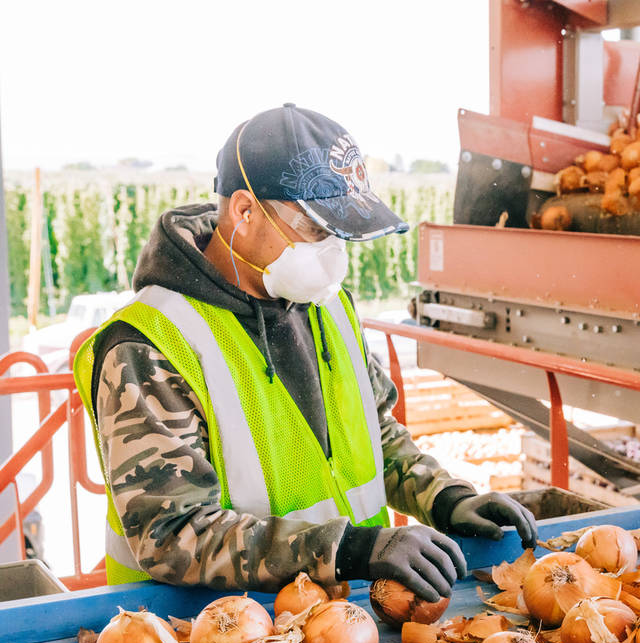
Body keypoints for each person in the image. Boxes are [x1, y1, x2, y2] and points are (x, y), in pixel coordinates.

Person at [72, 103, 536, 601]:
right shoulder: (152, 343)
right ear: (245, 211)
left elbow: (376, 436)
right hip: (207, 640)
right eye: (316, 229)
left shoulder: (325, 306)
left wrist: (445, 498)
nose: (332, 251)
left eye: (341, 233)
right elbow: (173, 533)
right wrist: (348, 550)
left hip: (339, 622)